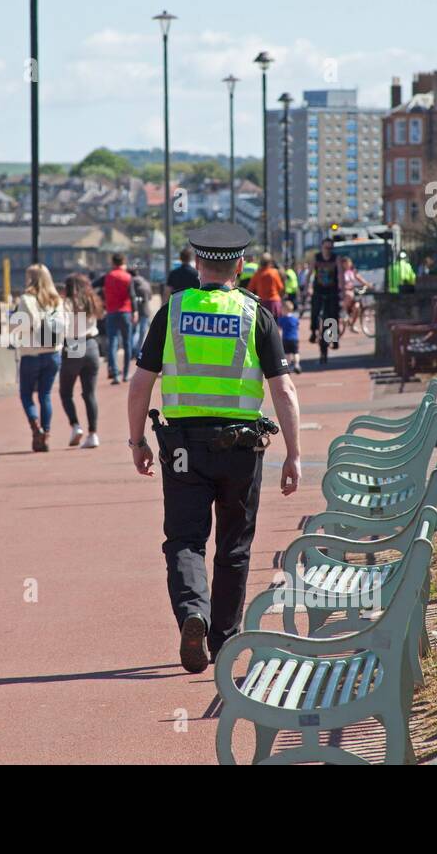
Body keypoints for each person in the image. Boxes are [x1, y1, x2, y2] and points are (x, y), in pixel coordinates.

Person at [127, 223, 302, 672]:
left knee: (185, 540)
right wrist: (294, 455)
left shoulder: (173, 311)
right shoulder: (254, 314)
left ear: (197, 264)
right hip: (241, 449)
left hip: (183, 446)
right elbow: (284, 392)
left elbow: (140, 384)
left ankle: (192, 613)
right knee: (234, 546)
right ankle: (224, 639)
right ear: (240, 267)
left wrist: (137, 441)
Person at [12, 263, 66, 452]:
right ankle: (47, 433)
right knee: (45, 395)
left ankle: (36, 428)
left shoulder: (26, 299)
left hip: (31, 354)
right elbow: (63, 326)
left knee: (26, 394)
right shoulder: (57, 300)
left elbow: (19, 326)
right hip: (53, 353)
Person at [60, 272, 103, 448]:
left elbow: (62, 326)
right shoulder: (93, 301)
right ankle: (93, 434)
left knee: (66, 392)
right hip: (92, 345)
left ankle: (76, 425)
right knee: (89, 393)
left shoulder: (66, 304)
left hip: (74, 345)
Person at [102, 252, 134, 384]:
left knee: (113, 342)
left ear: (112, 262)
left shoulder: (108, 276)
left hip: (111, 311)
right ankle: (126, 373)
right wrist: (135, 311)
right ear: (123, 262)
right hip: (125, 310)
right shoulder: (127, 277)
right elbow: (132, 295)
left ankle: (114, 373)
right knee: (127, 342)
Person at [307, 238, 342, 355]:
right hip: (319, 290)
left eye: (330, 248)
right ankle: (313, 332)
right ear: (322, 247)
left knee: (333, 314)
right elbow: (310, 273)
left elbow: (340, 274)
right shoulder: (316, 258)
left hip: (332, 290)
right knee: (315, 311)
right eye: (326, 248)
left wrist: (341, 289)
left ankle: (334, 339)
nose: (328, 250)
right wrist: (307, 288)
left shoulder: (336, 258)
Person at [247, 252, 285, 319]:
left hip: (263, 303)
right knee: (276, 326)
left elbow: (250, 289)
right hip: (274, 303)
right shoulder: (274, 272)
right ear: (270, 262)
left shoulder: (257, 274)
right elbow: (280, 288)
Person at [340, 256, 372, 331]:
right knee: (349, 295)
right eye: (346, 263)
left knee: (357, 307)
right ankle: (343, 312)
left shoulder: (352, 272)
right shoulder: (340, 272)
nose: (348, 265)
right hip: (343, 293)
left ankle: (352, 325)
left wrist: (368, 285)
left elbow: (360, 278)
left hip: (352, 292)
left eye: (349, 263)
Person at [130, 268, 153, 358]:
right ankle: (138, 351)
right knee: (142, 332)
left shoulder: (130, 283)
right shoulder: (146, 283)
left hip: (133, 311)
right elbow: (150, 297)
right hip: (145, 310)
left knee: (133, 332)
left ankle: (132, 350)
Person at [279, 299, 302, 374]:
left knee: (287, 354)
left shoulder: (282, 319)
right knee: (296, 352)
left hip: (285, 339)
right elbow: (298, 326)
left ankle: (288, 367)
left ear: (284, 310)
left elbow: (279, 328)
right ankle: (297, 365)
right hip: (294, 338)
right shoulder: (295, 319)